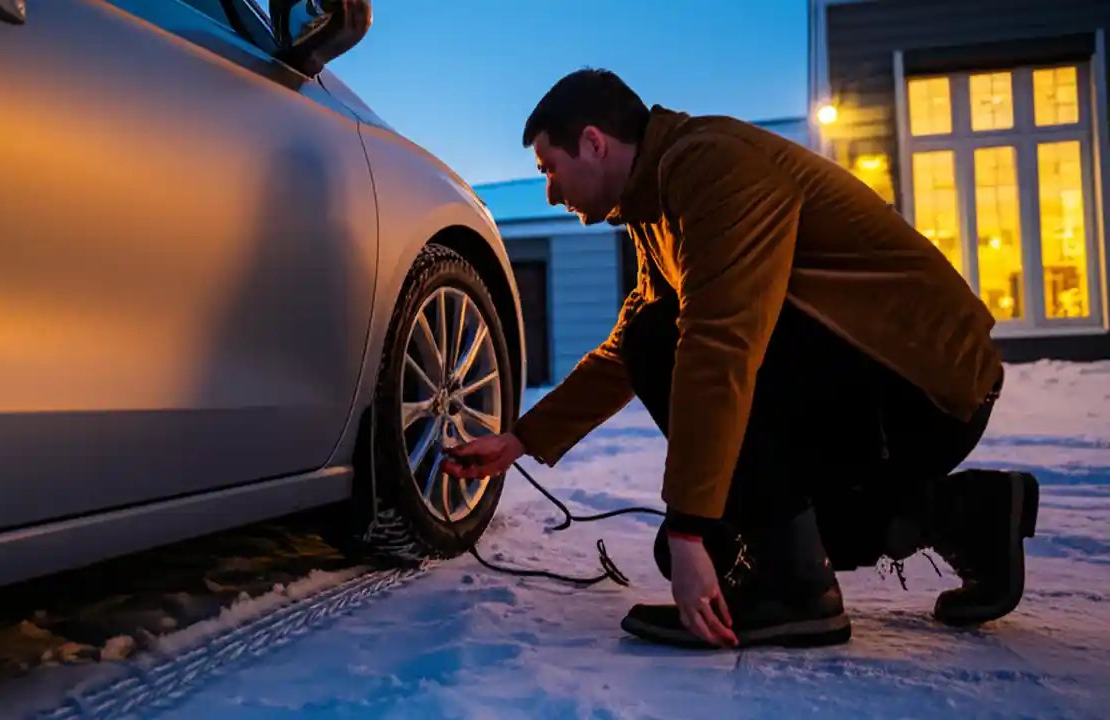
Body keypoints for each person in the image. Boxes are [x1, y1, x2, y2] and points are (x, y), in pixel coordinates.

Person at [441, 68, 1039, 650]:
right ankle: (970, 516)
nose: (550, 191)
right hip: (877, 390)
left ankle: (796, 593)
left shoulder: (712, 167)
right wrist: (520, 439)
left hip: (921, 388)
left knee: (666, 354)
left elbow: (717, 346)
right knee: (726, 540)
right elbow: (624, 356)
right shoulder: (657, 202)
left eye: (550, 168)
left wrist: (688, 524)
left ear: (593, 143)